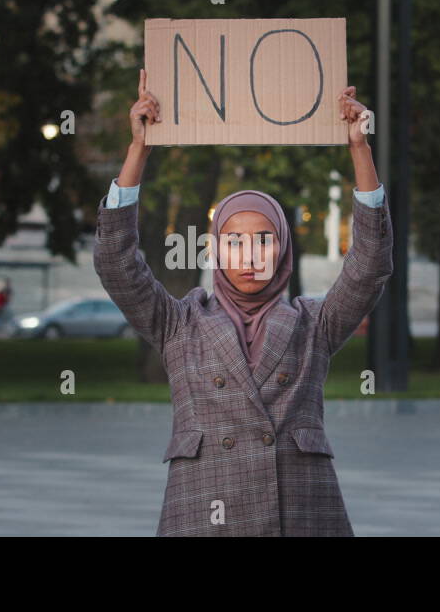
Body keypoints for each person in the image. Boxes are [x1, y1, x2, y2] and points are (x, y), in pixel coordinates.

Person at [93, 69, 393, 537]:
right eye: (234, 241)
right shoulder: (180, 324)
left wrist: (359, 148)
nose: (250, 255)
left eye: (263, 240)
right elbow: (116, 263)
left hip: (299, 513)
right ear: (213, 249)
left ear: (284, 249)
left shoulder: (314, 324)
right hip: (203, 511)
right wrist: (138, 151)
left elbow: (370, 264)